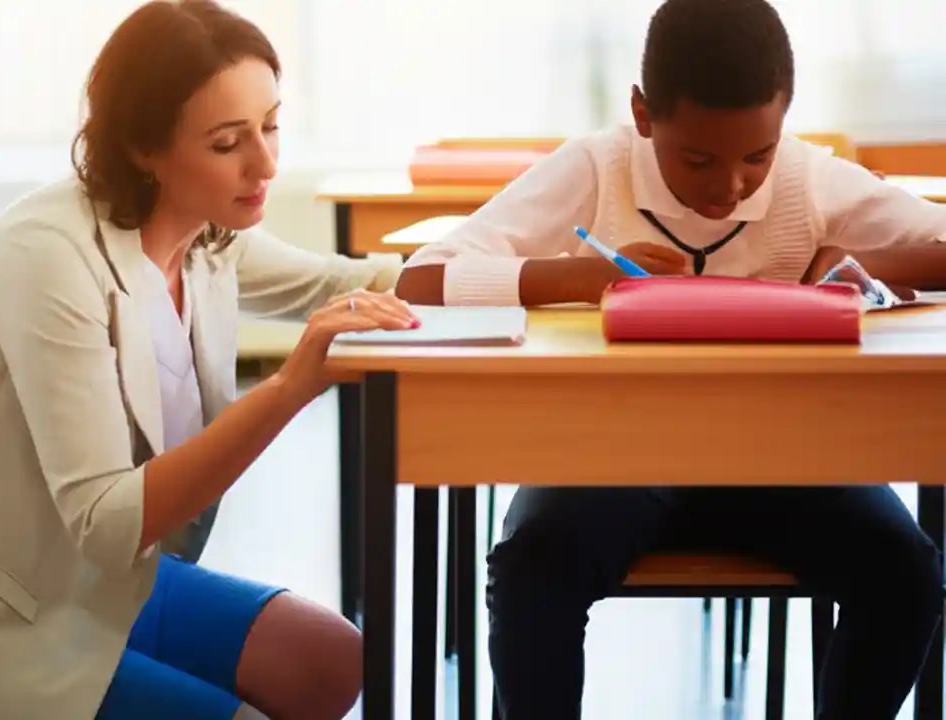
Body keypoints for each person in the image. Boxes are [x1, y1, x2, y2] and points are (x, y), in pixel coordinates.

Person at [0, 2, 415, 718]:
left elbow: (351, 283)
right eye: (228, 142)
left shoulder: (202, 235)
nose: (266, 163)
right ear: (143, 148)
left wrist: (540, 273)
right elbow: (105, 523)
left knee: (328, 662)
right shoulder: (48, 260)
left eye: (271, 125)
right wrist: (289, 387)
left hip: (72, 579)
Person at [395, 0, 946, 717]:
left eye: (758, 155)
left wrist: (860, 256)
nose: (731, 186)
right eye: (699, 160)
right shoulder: (597, 166)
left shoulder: (808, 178)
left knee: (906, 572)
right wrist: (574, 278)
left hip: (779, 462)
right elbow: (420, 278)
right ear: (643, 113)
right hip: (613, 460)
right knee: (534, 564)